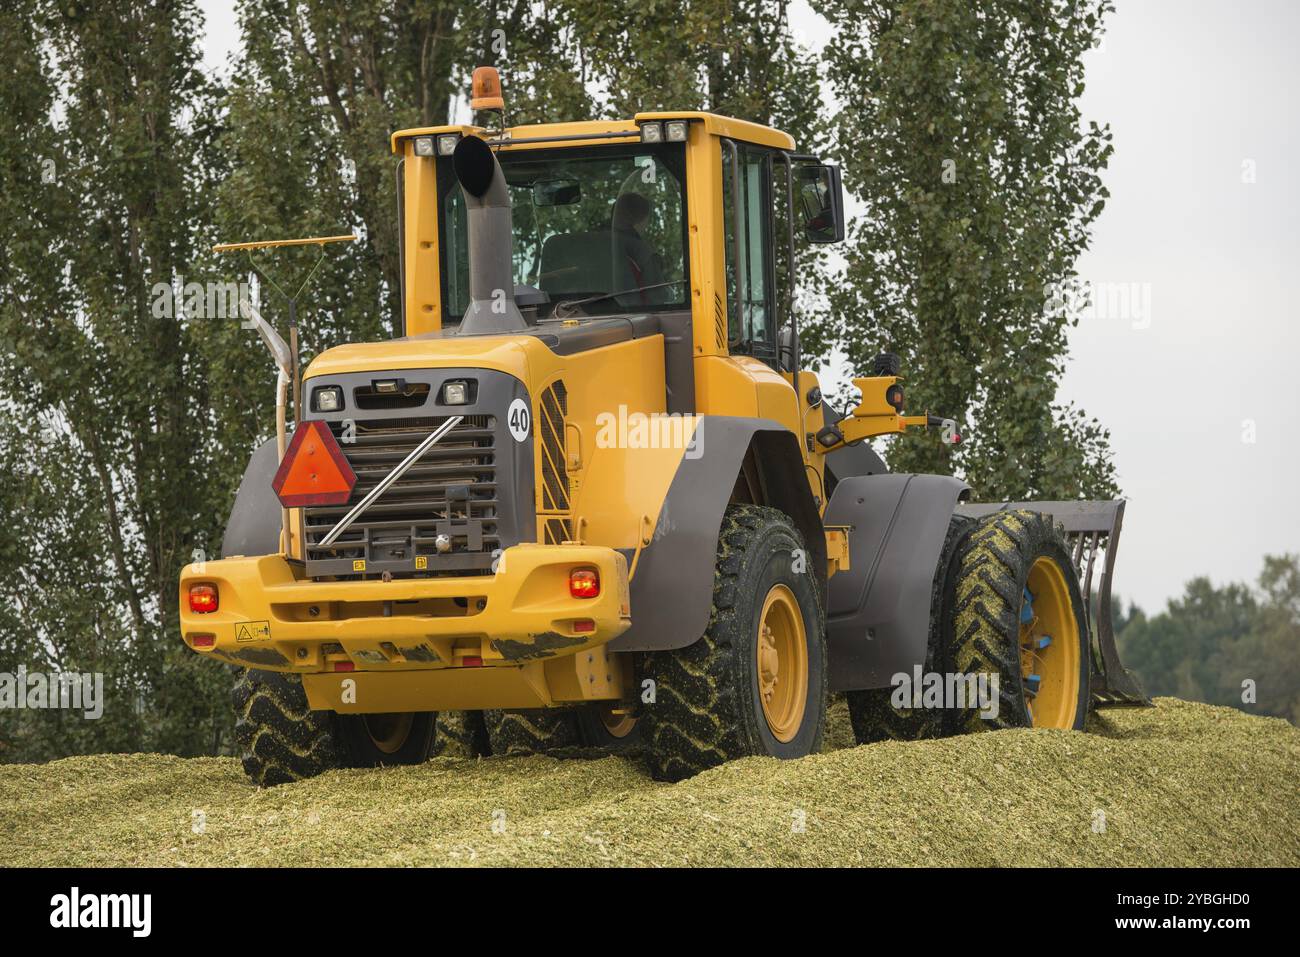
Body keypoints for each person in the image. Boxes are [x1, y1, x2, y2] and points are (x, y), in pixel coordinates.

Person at [610, 192, 663, 301]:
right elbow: (659, 297)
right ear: (641, 220)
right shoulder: (641, 251)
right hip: (632, 314)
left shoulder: (590, 246)